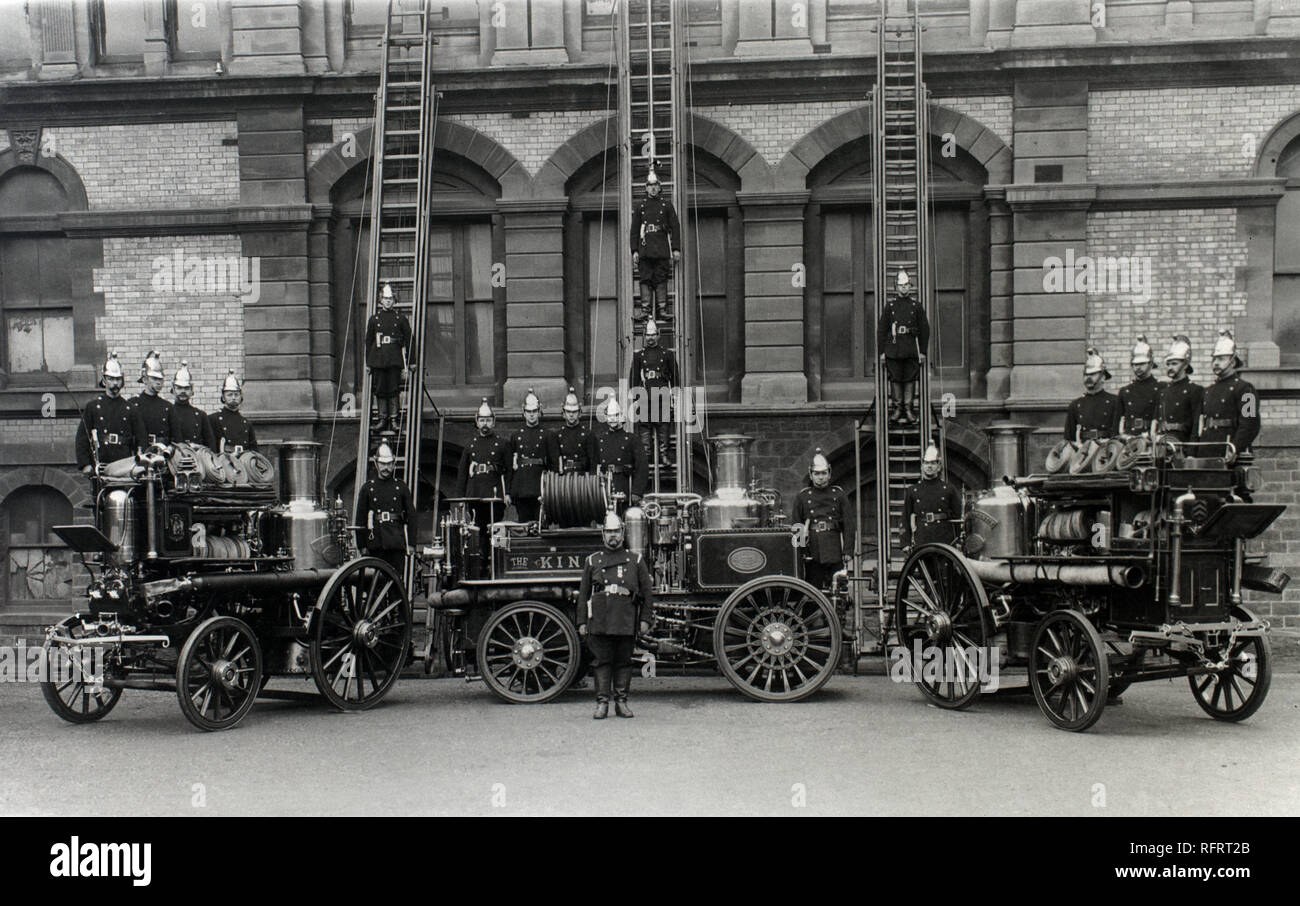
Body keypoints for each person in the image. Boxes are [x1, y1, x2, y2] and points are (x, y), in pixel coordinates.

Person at [577, 511, 653, 719]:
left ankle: (621, 702)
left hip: (626, 618)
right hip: (600, 619)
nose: (613, 536)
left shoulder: (635, 560)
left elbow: (647, 592)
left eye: (617, 531)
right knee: (601, 662)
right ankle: (602, 703)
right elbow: (583, 594)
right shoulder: (593, 561)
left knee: (624, 661)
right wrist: (582, 621)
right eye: (609, 532)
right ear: (603, 534)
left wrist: (645, 619)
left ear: (623, 532)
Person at [790, 449, 852, 590]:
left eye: (824, 473)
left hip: (834, 548)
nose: (820, 477)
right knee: (812, 590)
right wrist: (801, 553)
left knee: (839, 589)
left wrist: (848, 551)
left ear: (829, 474)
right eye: (817, 474)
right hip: (813, 551)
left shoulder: (839, 494)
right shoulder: (803, 497)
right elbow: (797, 526)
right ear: (811, 475)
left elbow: (848, 525)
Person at [877, 269, 929, 425]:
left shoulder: (916, 306)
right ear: (896, 288)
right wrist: (882, 352)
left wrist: (923, 351)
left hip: (911, 348)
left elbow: (925, 329)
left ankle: (908, 409)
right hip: (893, 348)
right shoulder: (890, 306)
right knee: (895, 378)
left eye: (906, 285)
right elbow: (881, 330)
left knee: (909, 378)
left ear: (910, 286)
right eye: (901, 285)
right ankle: (897, 409)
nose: (904, 288)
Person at [1200, 330, 1260, 464]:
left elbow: (1250, 423)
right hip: (1208, 450)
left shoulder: (1245, 389)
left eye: (1221, 359)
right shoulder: (1209, 391)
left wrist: (1236, 448)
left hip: (1231, 451)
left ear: (1232, 362)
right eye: (1214, 359)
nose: (1216, 363)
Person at [355, 442, 414, 576]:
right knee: (374, 586)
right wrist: (362, 546)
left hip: (396, 543)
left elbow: (412, 516)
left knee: (396, 585)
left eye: (389, 464)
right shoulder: (367, 488)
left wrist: (411, 544)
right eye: (382, 464)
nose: (386, 468)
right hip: (375, 543)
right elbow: (360, 518)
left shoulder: (401, 487)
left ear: (393, 464)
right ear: (376, 464)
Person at [630, 167, 680, 323]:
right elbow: (634, 229)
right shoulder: (640, 206)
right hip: (645, 246)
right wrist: (634, 250)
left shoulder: (666, 205)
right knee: (645, 278)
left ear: (659, 187)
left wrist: (676, 248)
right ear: (646, 188)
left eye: (655, 185)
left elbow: (675, 227)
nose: (652, 188)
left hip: (661, 246)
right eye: (650, 185)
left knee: (661, 278)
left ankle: (662, 309)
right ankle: (645, 309)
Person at [75, 352, 135, 478]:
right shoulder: (93, 407)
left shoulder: (129, 408)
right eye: (111, 379)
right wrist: (85, 464)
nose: (115, 383)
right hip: (101, 462)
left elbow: (140, 437)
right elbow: (82, 437)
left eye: (118, 379)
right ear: (104, 380)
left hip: (124, 463)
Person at [629, 318, 678, 468]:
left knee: (664, 425)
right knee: (644, 427)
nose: (650, 337)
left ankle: (664, 454)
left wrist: (675, 394)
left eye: (653, 334)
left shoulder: (667, 354)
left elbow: (675, 376)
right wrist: (635, 398)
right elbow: (634, 378)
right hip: (645, 394)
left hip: (662, 392)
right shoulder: (639, 355)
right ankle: (646, 456)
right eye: (648, 335)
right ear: (644, 335)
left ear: (658, 335)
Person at [365, 283, 412, 434]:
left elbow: (410, 340)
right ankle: (382, 419)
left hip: (393, 358)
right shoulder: (374, 319)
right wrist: (368, 363)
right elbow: (369, 341)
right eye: (385, 299)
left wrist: (412, 362)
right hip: (378, 358)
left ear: (394, 300)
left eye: (390, 299)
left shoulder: (400, 319)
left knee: (393, 389)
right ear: (380, 300)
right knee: (379, 389)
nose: (388, 301)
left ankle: (394, 419)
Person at [458, 398, 511, 530]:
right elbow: (462, 472)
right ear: (477, 422)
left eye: (488, 420)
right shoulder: (470, 445)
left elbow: (509, 471)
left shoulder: (502, 444)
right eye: (482, 420)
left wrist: (508, 493)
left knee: (494, 530)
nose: (485, 424)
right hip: (475, 492)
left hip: (494, 493)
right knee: (477, 529)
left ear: (493, 422)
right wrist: (461, 497)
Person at [901, 444, 962, 552]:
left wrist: (957, 541)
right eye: (926, 463)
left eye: (933, 463)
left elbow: (957, 517)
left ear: (938, 466)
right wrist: (905, 543)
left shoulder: (949, 489)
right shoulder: (913, 490)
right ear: (922, 466)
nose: (929, 466)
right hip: (922, 538)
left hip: (945, 539)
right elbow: (905, 518)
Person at [594, 396, 647, 513]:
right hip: (604, 485)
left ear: (621, 416)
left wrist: (636, 491)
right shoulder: (600, 440)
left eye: (616, 416)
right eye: (610, 416)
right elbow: (594, 466)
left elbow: (642, 466)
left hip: (624, 484)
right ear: (606, 418)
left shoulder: (632, 439)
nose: (613, 419)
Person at [508, 388, 552, 523]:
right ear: (524, 412)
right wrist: (510, 491)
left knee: (541, 525)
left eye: (534, 411)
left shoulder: (548, 435)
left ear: (539, 411)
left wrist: (552, 489)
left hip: (541, 486)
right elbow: (511, 466)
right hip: (522, 487)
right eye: (529, 412)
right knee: (523, 525)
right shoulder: (516, 436)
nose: (532, 415)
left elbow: (553, 463)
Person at [1063, 347, 1121, 444]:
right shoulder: (1076, 405)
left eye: (1093, 374)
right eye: (1086, 375)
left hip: (1107, 450)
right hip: (1083, 450)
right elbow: (1069, 438)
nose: (1088, 378)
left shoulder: (1114, 402)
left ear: (1103, 377)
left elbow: (1118, 434)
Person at [1155, 335, 1203, 445]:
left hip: (1183, 444)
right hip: (1163, 444)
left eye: (1174, 364)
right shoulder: (1163, 392)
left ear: (1185, 365)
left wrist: (1192, 452)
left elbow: (1196, 424)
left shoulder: (1195, 390)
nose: (1170, 367)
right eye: (1168, 364)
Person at [128, 350, 173, 452]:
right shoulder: (132, 404)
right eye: (154, 378)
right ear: (144, 379)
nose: (158, 382)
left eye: (160, 379)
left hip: (162, 454)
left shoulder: (167, 407)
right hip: (139, 454)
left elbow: (175, 438)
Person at [1118, 335, 1161, 436]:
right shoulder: (1125, 391)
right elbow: (1117, 421)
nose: (1138, 367)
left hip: (1151, 438)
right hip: (1129, 438)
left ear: (1150, 364)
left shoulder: (1160, 388)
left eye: (1142, 364)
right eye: (1135, 364)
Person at [550, 386, 598, 475]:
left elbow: (593, 462)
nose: (571, 415)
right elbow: (554, 462)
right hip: (562, 479)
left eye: (574, 411)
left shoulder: (588, 434)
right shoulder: (557, 435)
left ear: (579, 413)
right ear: (563, 413)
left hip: (583, 479)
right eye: (568, 412)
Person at [167, 361, 215, 448]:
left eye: (186, 388)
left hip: (195, 457)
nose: (183, 391)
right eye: (179, 388)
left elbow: (210, 444)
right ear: (173, 390)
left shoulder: (201, 415)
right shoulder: (167, 413)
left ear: (192, 391)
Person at [209, 370, 259, 452]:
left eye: (236, 394)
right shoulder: (213, 420)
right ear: (223, 397)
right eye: (229, 394)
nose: (233, 397)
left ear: (241, 397)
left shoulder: (246, 423)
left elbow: (254, 450)